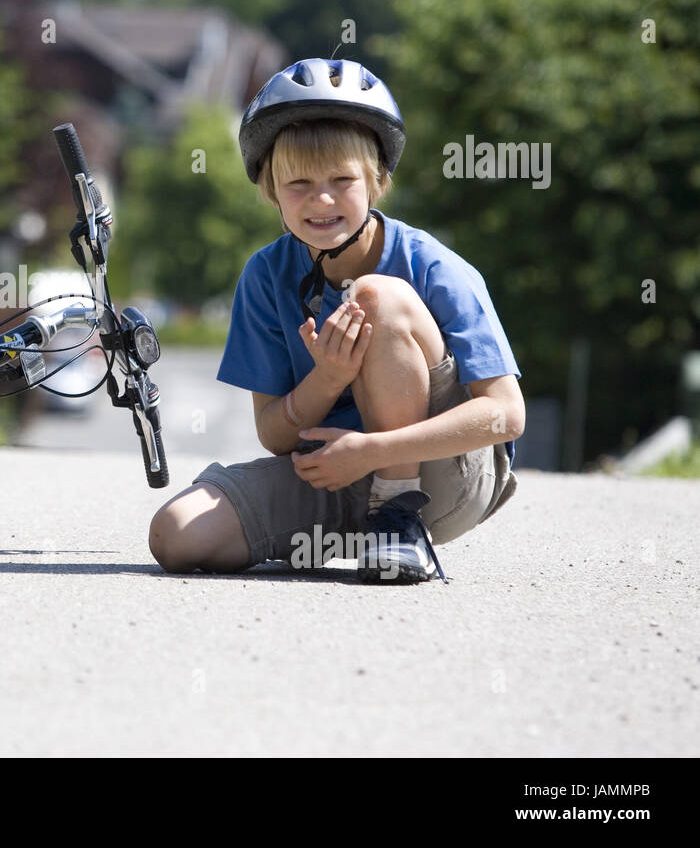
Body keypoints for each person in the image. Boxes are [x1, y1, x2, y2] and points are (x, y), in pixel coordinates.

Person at [148, 57, 522, 583]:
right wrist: (327, 380)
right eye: (297, 182)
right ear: (271, 191)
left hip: (441, 481)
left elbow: (507, 415)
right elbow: (276, 437)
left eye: (341, 179)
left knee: (375, 297)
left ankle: (395, 520)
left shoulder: (432, 265)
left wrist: (372, 450)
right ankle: (360, 529)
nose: (320, 199)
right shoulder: (264, 276)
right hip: (336, 474)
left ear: (377, 182)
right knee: (176, 533)